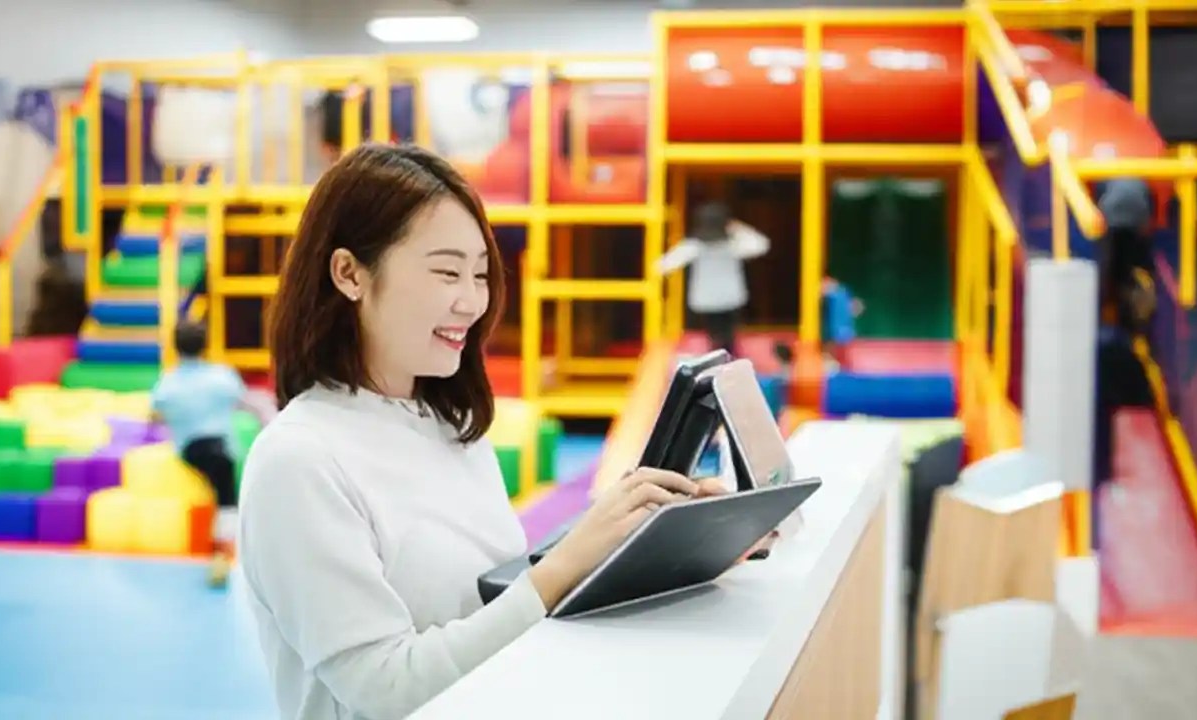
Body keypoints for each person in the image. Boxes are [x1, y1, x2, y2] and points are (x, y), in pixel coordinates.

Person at [237, 143, 722, 720]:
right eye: (447, 272)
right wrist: (559, 570)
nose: (471, 301)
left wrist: (678, 546)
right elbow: (387, 690)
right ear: (349, 273)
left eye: (481, 274)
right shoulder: (299, 460)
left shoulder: (451, 429)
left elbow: (489, 608)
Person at [150, 320, 247, 588]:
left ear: (175, 347)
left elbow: (154, 415)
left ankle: (220, 550)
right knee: (226, 491)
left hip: (191, 448)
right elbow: (242, 402)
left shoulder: (168, 382)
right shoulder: (222, 376)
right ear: (206, 345)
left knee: (223, 482)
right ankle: (222, 551)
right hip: (220, 448)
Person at [656, 202, 770, 356]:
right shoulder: (734, 245)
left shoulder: (693, 246)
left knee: (713, 337)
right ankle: (727, 356)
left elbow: (663, 265)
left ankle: (715, 357)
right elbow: (761, 244)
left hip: (706, 299)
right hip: (730, 298)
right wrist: (738, 227)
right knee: (728, 338)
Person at [1096, 177, 1156, 338]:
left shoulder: (1104, 171)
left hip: (1112, 223)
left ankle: (1120, 322)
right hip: (1128, 223)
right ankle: (1127, 326)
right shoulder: (1141, 177)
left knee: (1113, 273)